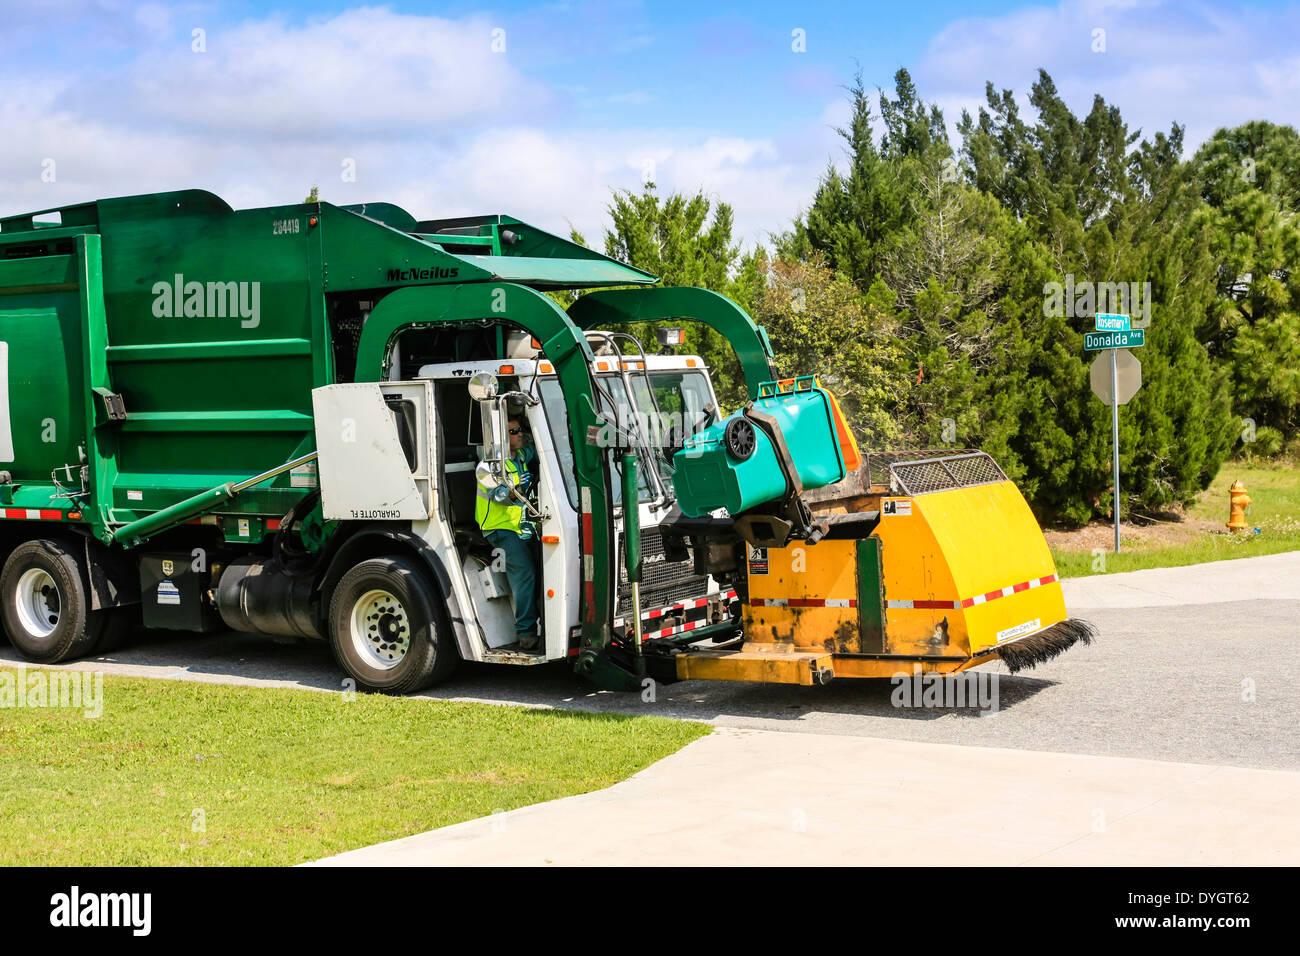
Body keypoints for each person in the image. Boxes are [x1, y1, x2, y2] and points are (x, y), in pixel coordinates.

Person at [476, 416, 543, 651]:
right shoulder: (487, 466)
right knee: (525, 574)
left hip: (523, 526)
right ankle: (526, 634)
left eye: (520, 429)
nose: (519, 434)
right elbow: (500, 497)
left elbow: (540, 450)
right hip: (499, 528)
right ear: (503, 437)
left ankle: (546, 626)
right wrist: (516, 491)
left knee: (544, 569)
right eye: (514, 431)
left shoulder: (521, 455)